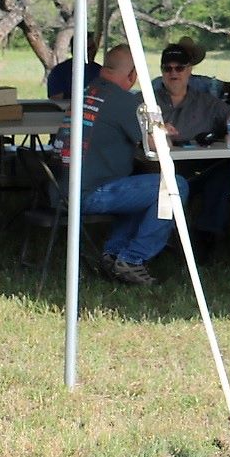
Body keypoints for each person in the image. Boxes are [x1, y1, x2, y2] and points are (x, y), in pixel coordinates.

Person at [58, 44, 188, 285]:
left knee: (142, 189)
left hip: (63, 190)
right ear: (132, 75)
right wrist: (163, 131)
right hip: (90, 193)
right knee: (173, 186)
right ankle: (133, 259)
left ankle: (114, 255)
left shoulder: (87, 93)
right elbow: (158, 145)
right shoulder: (122, 101)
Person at [154, 41, 230, 259]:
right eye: (168, 68)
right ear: (161, 72)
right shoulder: (146, 100)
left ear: (189, 70)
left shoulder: (206, 101)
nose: (173, 73)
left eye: (179, 68)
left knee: (223, 170)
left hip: (200, 166)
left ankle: (207, 235)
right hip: (160, 168)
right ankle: (165, 237)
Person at [45, 35, 102, 104]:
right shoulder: (60, 71)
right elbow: (56, 101)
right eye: (88, 49)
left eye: (94, 48)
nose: (92, 52)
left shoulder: (101, 71)